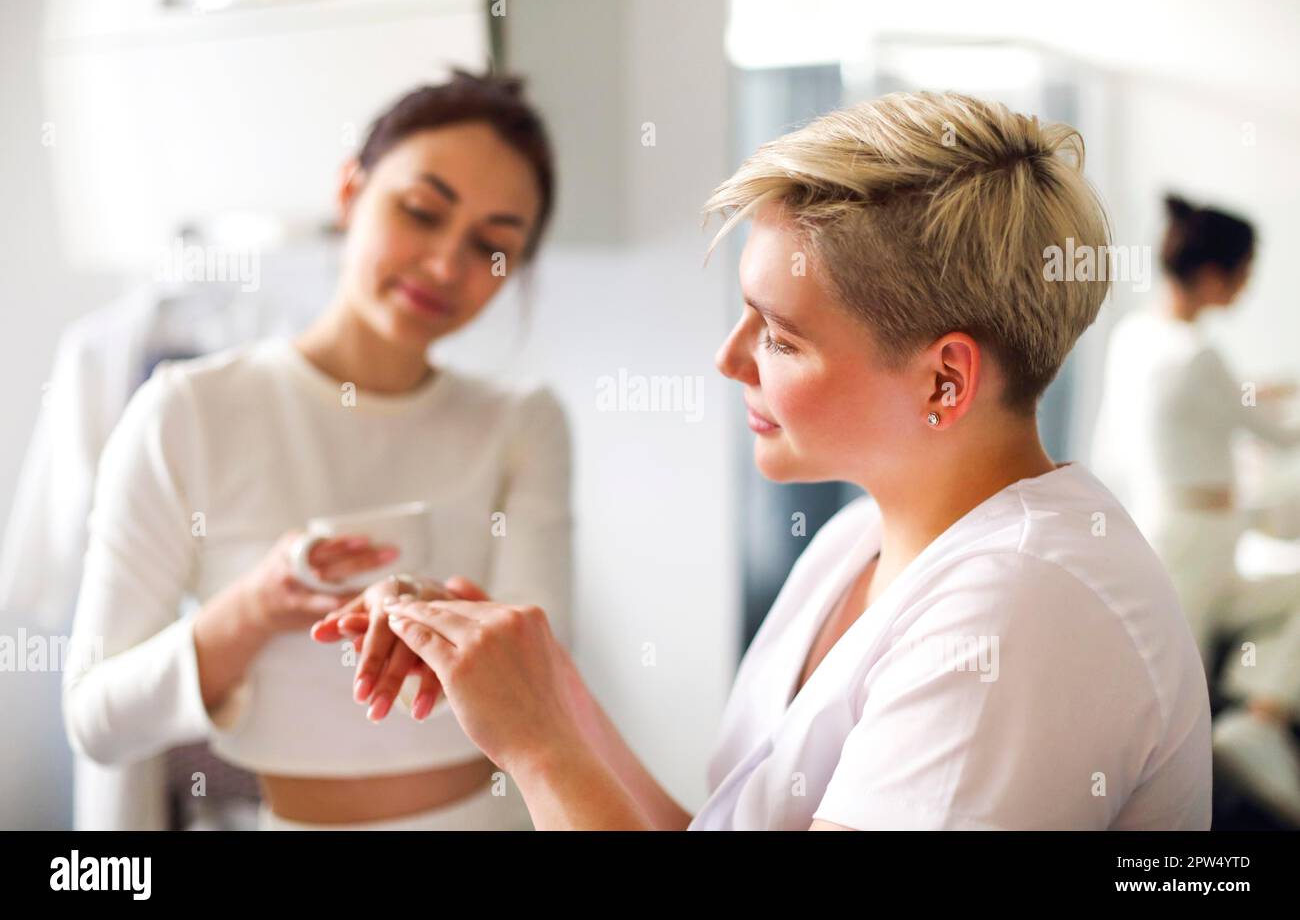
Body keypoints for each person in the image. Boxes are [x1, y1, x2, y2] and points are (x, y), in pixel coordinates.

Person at [316, 92, 1212, 829]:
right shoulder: (859, 538)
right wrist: (542, 684)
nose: (729, 358)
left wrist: (539, 750)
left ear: (945, 380)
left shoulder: (1018, 619)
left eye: (780, 337)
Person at [62, 70, 573, 830]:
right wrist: (258, 607)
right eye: (421, 211)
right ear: (349, 190)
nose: (444, 265)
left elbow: (546, 693)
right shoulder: (188, 413)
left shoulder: (522, 424)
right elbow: (97, 721)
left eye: (491, 247)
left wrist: (438, 618)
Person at [1092, 194, 1300, 825]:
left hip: (1162, 528)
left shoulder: (1141, 336)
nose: (1246, 286)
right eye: (1244, 273)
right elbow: (1276, 435)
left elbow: (1224, 397)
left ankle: (1258, 718)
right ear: (1215, 275)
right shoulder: (1201, 356)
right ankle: (1260, 718)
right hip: (1203, 544)